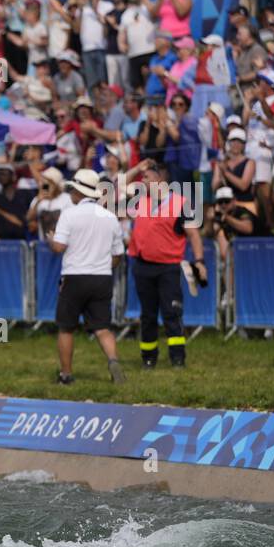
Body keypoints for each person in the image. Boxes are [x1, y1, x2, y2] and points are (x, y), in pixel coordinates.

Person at [127, 158, 207, 368]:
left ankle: (177, 358)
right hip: (142, 265)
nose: (141, 180)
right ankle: (149, 358)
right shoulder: (139, 199)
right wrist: (137, 167)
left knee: (172, 313)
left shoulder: (180, 203)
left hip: (168, 267)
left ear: (160, 179)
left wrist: (199, 261)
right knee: (147, 315)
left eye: (146, 176)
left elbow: (194, 234)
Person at [48, 168, 126, 385]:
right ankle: (113, 360)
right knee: (102, 328)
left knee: (66, 327)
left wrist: (51, 239)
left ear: (78, 192)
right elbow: (118, 254)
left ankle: (66, 374)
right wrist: (105, 266)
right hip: (101, 277)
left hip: (74, 276)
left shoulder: (69, 214)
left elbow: (59, 247)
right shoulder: (110, 217)